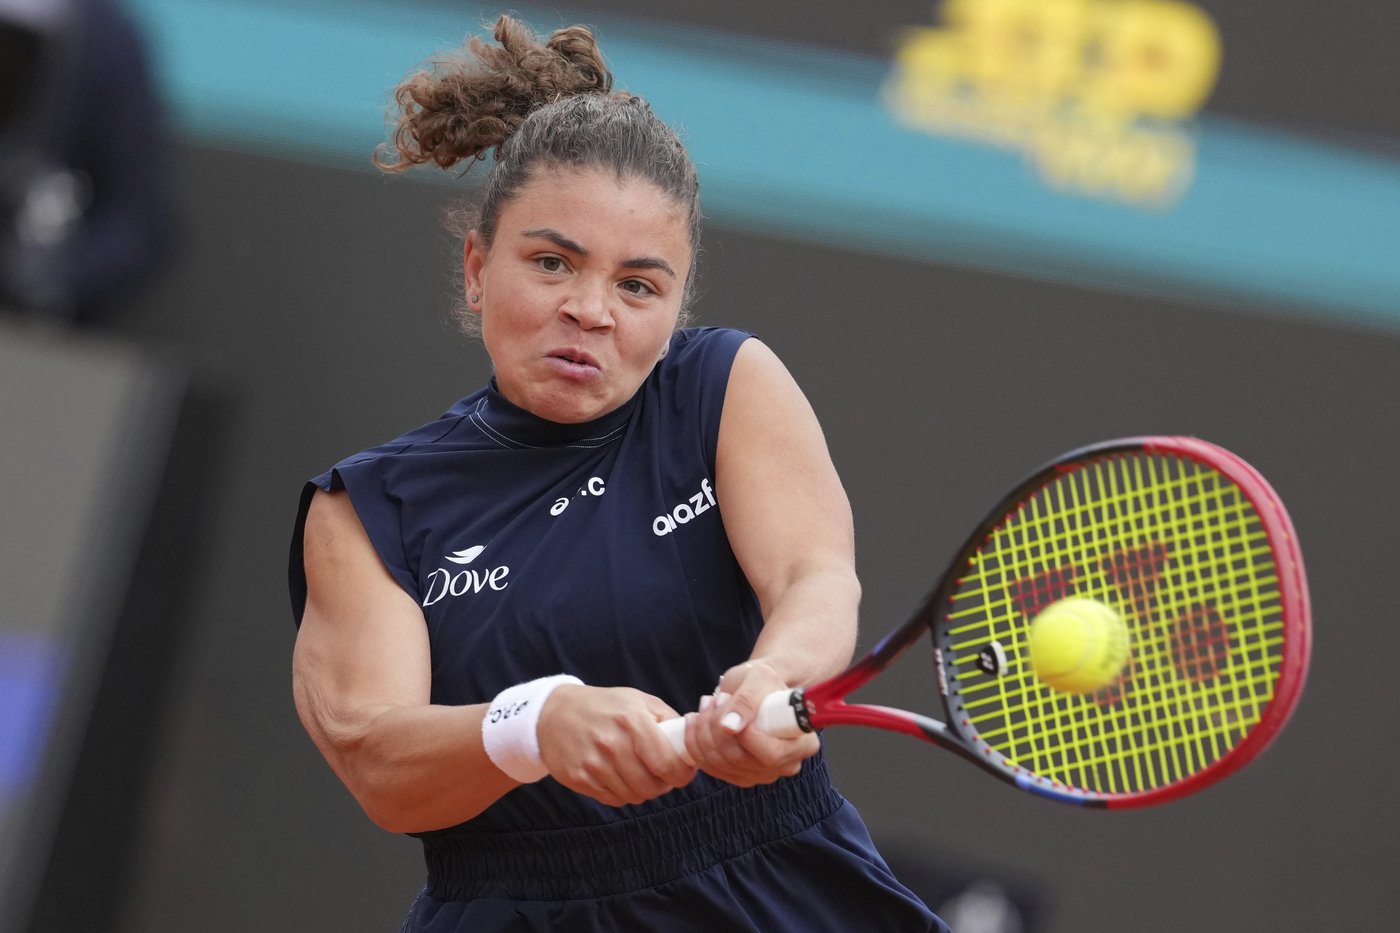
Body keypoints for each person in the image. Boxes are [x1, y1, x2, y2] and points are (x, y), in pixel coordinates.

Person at [288, 15, 946, 931]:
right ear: (477, 267)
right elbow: (377, 760)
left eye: (638, 284)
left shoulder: (726, 384)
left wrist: (772, 678)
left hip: (782, 886)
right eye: (552, 262)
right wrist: (535, 722)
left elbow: (815, 576)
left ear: (677, 302)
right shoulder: (369, 509)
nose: (591, 310)